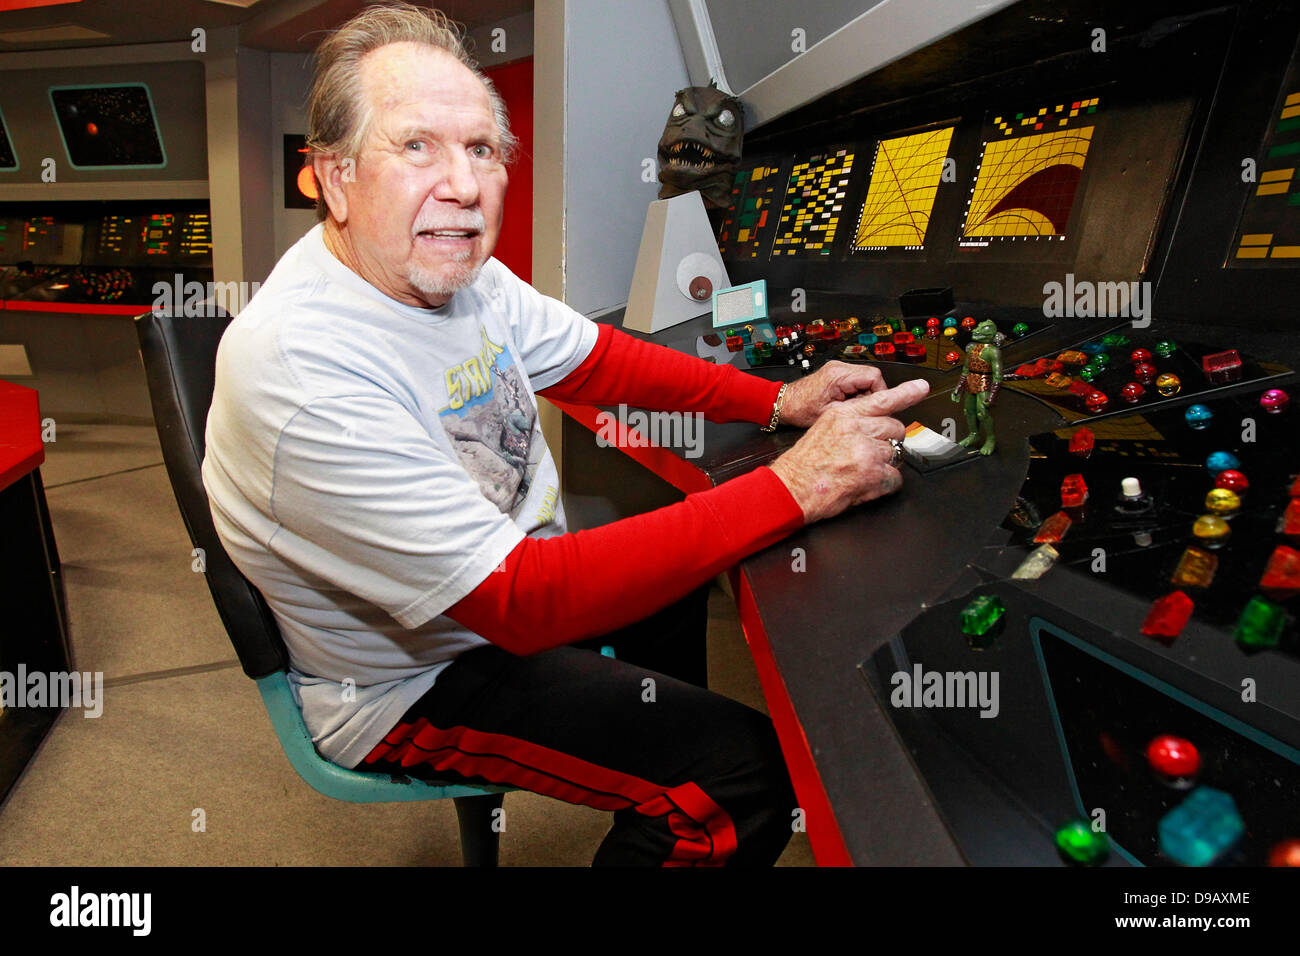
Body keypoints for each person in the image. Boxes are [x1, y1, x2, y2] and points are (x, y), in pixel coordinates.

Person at [201, 1, 929, 866]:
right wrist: (796, 485)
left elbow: (601, 363)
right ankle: (683, 802)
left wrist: (778, 405)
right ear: (333, 175)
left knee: (675, 592)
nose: (464, 186)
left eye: (481, 150)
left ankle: (649, 774)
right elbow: (522, 600)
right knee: (742, 779)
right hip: (415, 680)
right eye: (416, 146)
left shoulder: (460, 277)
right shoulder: (303, 367)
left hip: (497, 597)